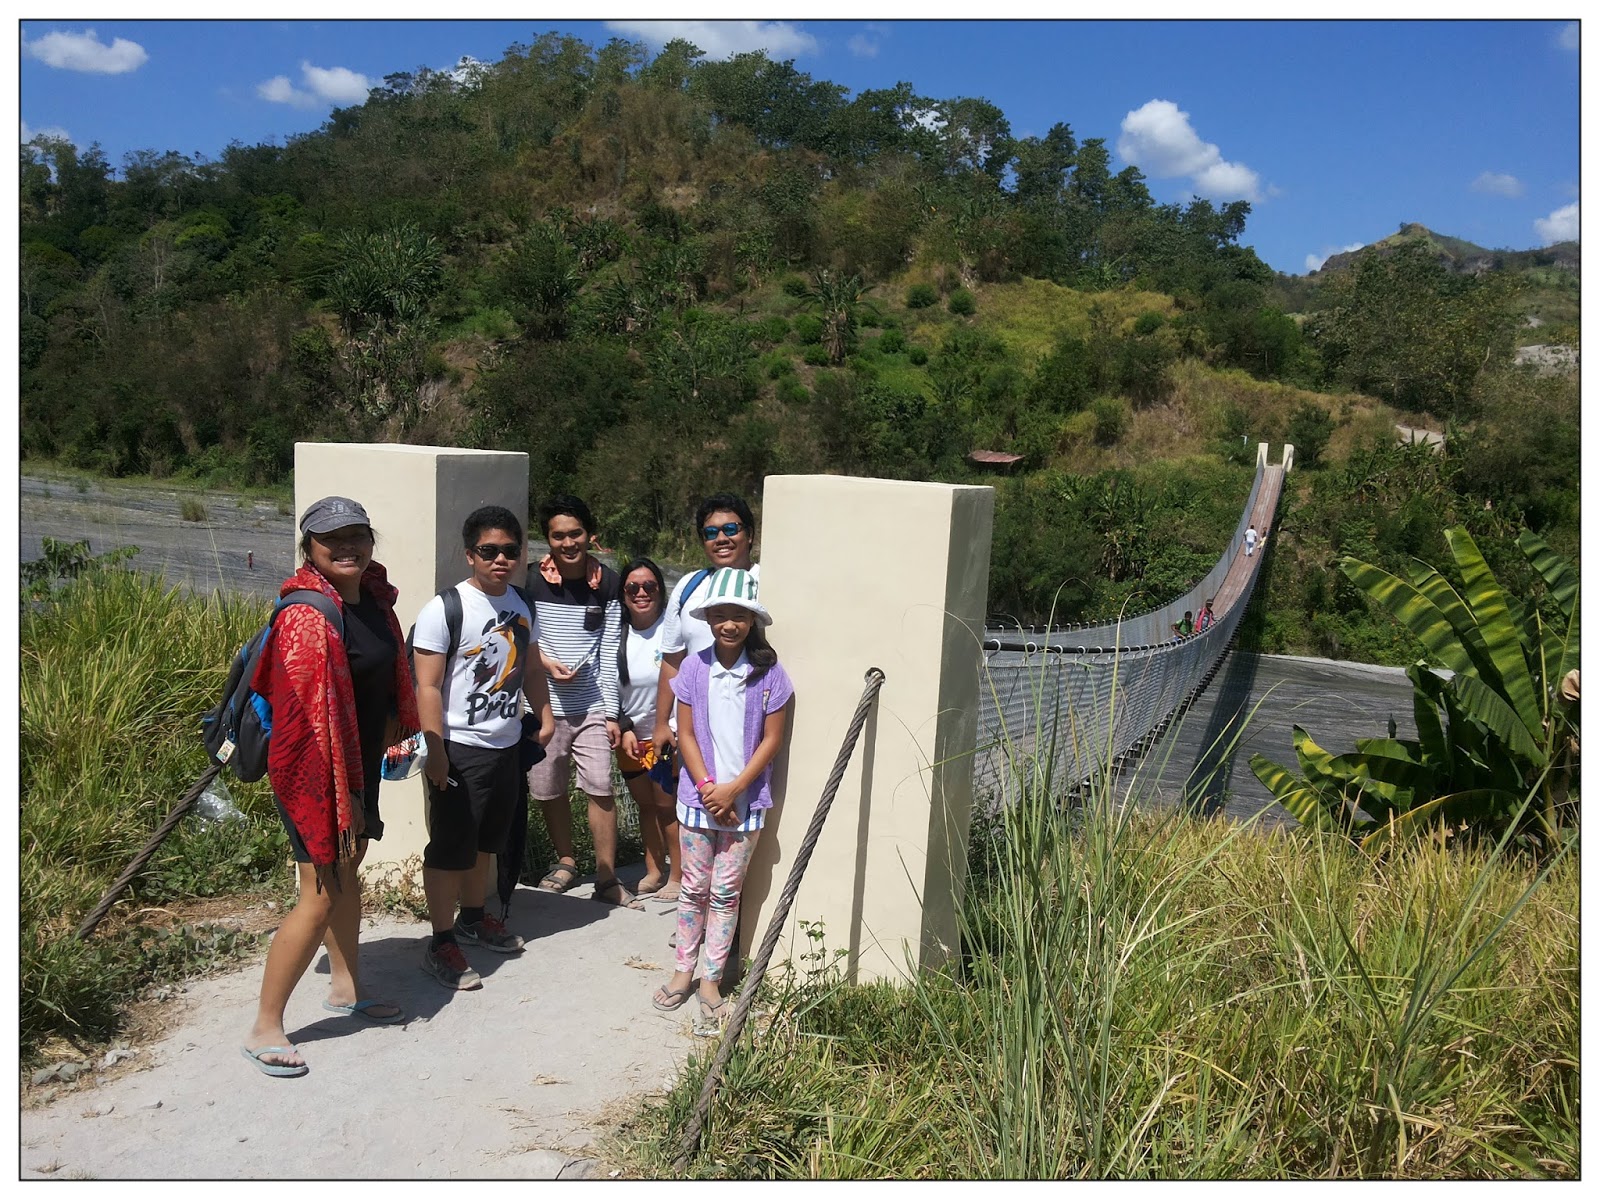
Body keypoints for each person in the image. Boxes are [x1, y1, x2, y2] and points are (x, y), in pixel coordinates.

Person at [242, 496, 420, 1077]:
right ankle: (265, 1025)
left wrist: (396, 722)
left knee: (347, 876)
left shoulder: (372, 598)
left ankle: (346, 988)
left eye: (356, 536)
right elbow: (298, 720)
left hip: (357, 768)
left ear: (370, 540)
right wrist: (331, 791)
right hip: (315, 778)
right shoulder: (305, 614)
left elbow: (385, 677)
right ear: (309, 548)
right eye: (331, 539)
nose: (346, 547)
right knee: (318, 895)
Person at [412, 506, 555, 991]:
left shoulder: (521, 603)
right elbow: (427, 687)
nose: (500, 560)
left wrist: (547, 713)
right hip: (458, 747)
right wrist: (435, 751)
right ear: (470, 554)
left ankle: (474, 917)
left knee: (484, 844)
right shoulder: (444, 609)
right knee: (449, 847)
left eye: (510, 551)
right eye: (489, 551)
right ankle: (441, 939)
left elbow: (531, 668)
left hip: (506, 744)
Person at [651, 567, 794, 1034]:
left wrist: (734, 790)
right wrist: (710, 787)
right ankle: (682, 971)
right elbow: (685, 732)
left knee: (726, 892)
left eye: (738, 616)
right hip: (698, 799)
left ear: (752, 621)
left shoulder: (771, 675)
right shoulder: (693, 668)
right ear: (708, 619)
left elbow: (771, 741)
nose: (728, 624)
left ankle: (711, 980)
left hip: (746, 803)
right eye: (719, 616)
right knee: (693, 888)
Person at [523, 496, 636, 907]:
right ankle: (566, 861)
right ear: (547, 539)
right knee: (547, 787)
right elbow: (519, 637)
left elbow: (608, 652)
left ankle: (606, 878)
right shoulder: (531, 582)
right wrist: (546, 664)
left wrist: (609, 712)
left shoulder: (607, 583)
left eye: (575, 534)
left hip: (590, 704)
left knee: (601, 786)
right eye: (558, 535)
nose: (568, 542)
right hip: (543, 705)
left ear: (590, 534)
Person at [652, 493, 759, 759]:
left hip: (752, 730)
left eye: (731, 529)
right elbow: (672, 660)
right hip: (693, 734)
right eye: (711, 533)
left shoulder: (768, 583)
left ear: (750, 535)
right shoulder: (689, 587)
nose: (721, 538)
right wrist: (662, 723)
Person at [616, 557, 681, 901]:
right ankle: (654, 869)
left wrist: (671, 727)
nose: (641, 593)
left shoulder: (673, 630)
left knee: (667, 805)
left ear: (660, 589)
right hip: (631, 736)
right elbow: (609, 684)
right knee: (646, 806)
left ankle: (678, 875)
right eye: (632, 587)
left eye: (649, 586)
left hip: (666, 732)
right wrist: (624, 726)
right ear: (623, 594)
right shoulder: (617, 632)